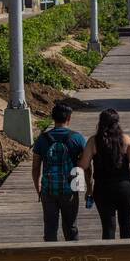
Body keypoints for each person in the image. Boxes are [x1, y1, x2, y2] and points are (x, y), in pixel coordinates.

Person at [78, 108, 130, 239]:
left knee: (108, 227)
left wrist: (88, 188)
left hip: (102, 189)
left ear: (101, 123)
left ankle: (110, 257)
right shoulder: (126, 140)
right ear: (117, 122)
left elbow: (83, 165)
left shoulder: (94, 141)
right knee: (126, 224)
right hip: (125, 188)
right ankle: (127, 256)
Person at [31, 103, 89, 242]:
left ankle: (51, 258)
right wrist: (88, 186)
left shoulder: (42, 139)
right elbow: (87, 166)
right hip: (71, 188)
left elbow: (35, 167)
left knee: (50, 227)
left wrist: (38, 186)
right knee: (71, 227)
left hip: (48, 189)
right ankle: (73, 257)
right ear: (69, 118)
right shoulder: (77, 138)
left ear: (53, 118)